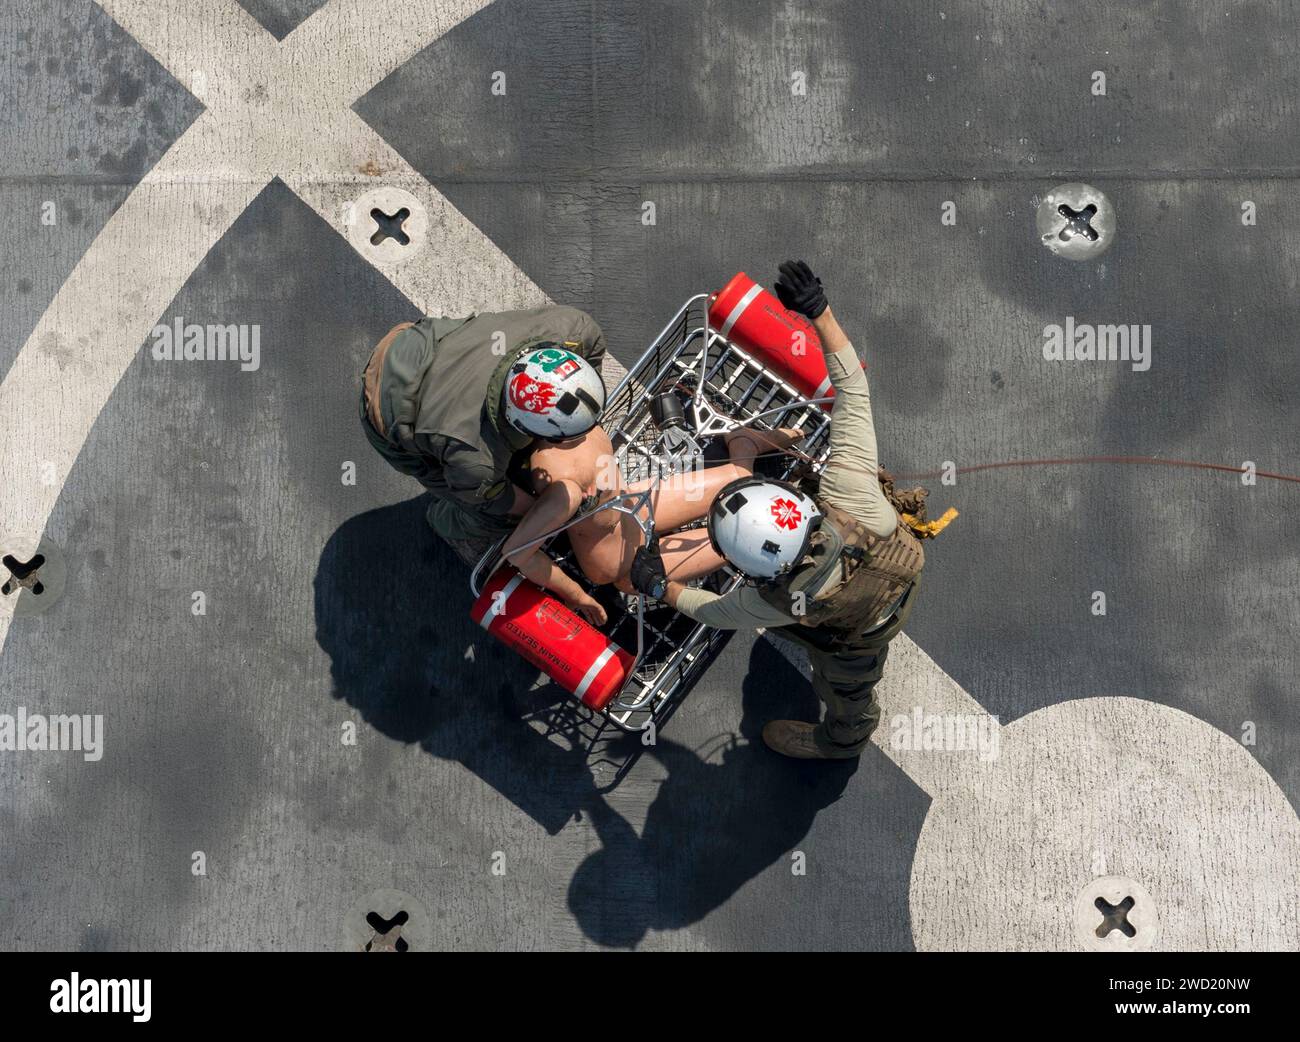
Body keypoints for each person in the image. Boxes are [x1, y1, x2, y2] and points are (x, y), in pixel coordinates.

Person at [628, 261, 925, 760]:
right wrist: (818, 311)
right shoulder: (848, 487)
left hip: (861, 634)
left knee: (848, 691)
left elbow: (714, 612)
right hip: (895, 553)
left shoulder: (775, 601)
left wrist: (660, 585)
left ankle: (841, 742)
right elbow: (853, 389)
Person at [360, 307, 608, 565]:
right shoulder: (476, 461)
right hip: (386, 403)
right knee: (494, 515)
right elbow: (496, 498)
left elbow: (592, 350)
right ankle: (446, 521)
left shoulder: (576, 330)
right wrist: (546, 511)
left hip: (421, 344)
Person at [501, 419, 805, 626]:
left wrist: (577, 596)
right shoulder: (586, 422)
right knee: (738, 485)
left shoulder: (560, 486)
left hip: (621, 561)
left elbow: (517, 553)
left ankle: (748, 454)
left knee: (737, 543)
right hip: (635, 504)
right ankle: (745, 447)